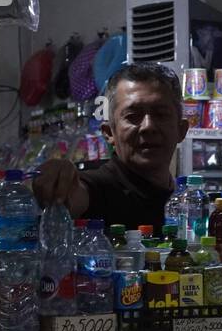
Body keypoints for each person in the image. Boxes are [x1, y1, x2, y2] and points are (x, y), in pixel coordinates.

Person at [32, 62, 187, 230]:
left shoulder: (188, 201)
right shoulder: (99, 188)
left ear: (181, 130)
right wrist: (58, 181)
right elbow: (75, 196)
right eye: (133, 116)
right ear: (109, 133)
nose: (148, 126)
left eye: (161, 114)